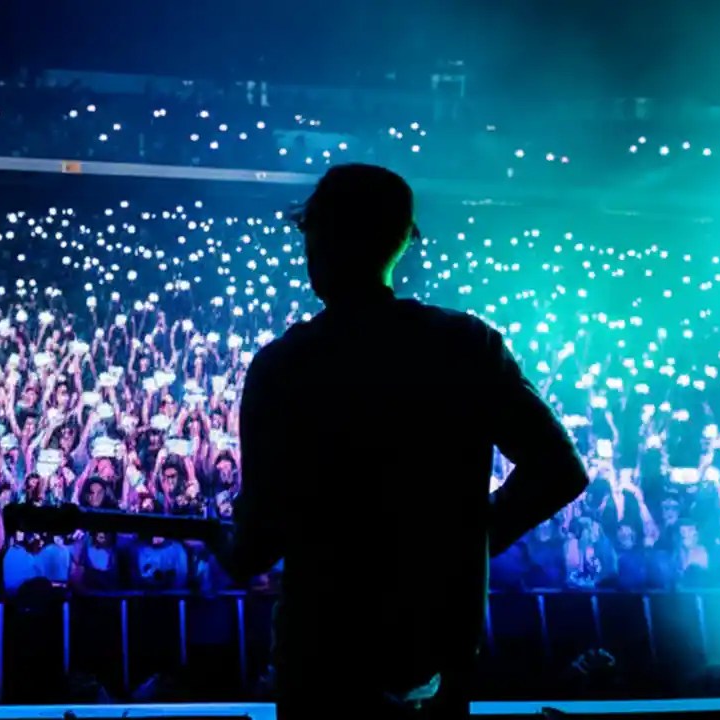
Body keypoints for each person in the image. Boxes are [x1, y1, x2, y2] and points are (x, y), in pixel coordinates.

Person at [227, 164, 589, 718]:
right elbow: (560, 468)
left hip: (324, 655)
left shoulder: (286, 366)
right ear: (400, 241)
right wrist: (473, 538)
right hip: (437, 646)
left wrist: (225, 541)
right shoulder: (467, 345)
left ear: (319, 234)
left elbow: (255, 547)